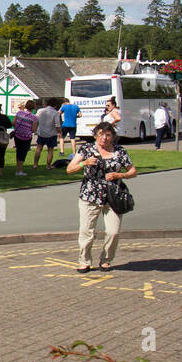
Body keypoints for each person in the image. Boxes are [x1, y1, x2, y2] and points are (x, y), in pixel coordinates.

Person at [66, 122, 136, 272]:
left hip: (113, 196)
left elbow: (133, 171)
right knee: (87, 231)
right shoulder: (86, 149)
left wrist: (119, 174)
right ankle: (84, 261)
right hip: (90, 195)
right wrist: (84, 163)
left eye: (108, 135)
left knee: (113, 231)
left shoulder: (120, 152)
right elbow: (69, 169)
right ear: (95, 135)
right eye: (101, 134)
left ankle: (106, 259)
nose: (104, 138)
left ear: (112, 136)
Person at [11, 100, 38, 175]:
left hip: (17, 134)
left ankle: (17, 168)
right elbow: (33, 129)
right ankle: (20, 170)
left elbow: (13, 122)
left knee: (18, 151)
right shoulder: (34, 118)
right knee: (23, 153)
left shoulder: (19, 113)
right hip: (26, 137)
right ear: (34, 108)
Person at [34, 97, 61, 169]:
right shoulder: (56, 113)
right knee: (50, 150)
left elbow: (35, 120)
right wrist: (60, 132)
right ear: (55, 105)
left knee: (39, 149)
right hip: (51, 133)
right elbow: (57, 125)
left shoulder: (40, 111)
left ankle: (35, 164)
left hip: (41, 132)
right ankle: (48, 165)